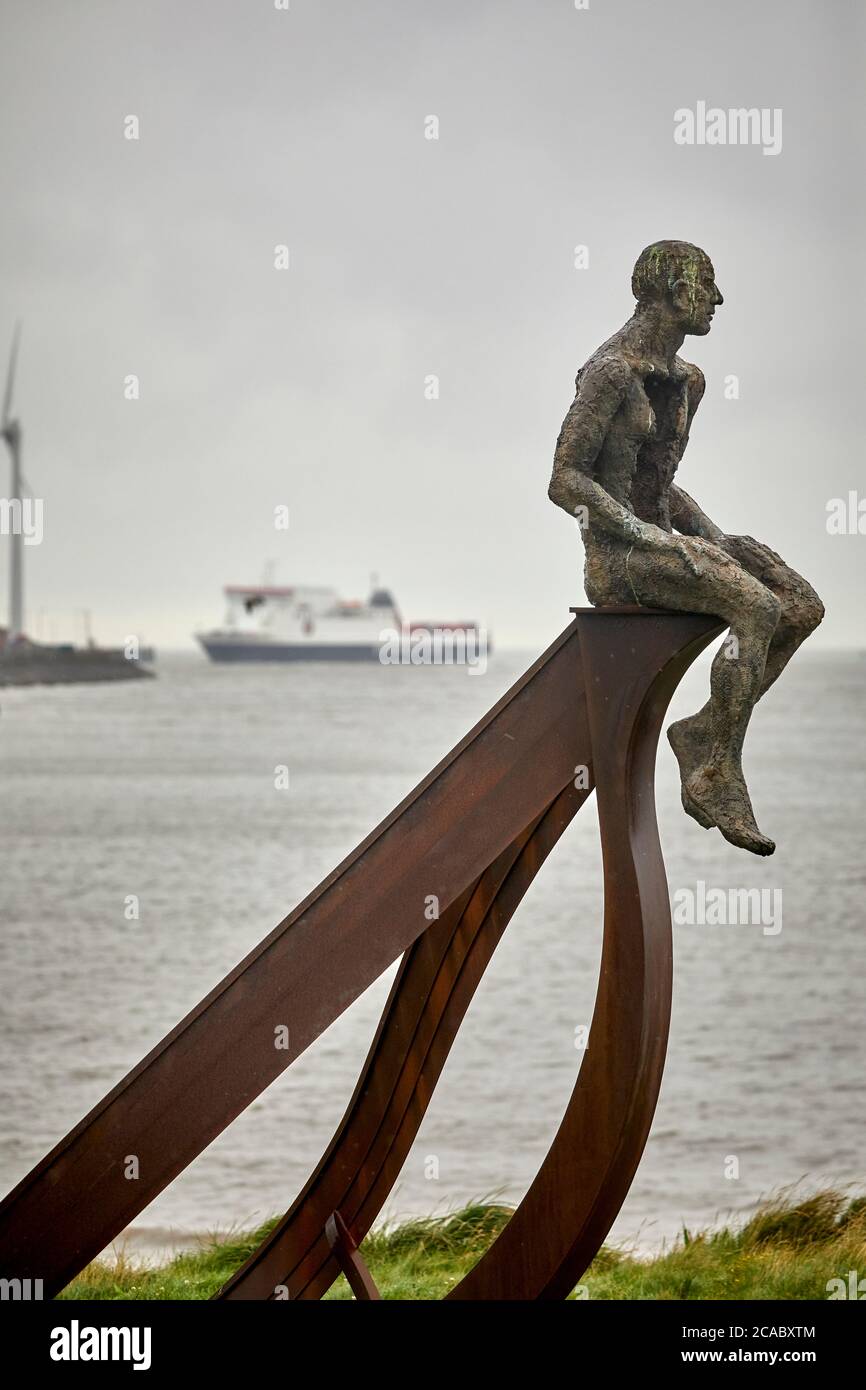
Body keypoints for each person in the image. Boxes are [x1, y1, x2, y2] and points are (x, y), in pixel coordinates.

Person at [548, 240, 823, 856]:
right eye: (709, 286)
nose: (718, 301)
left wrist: (714, 538)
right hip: (618, 561)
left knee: (799, 603)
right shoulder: (611, 373)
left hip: (661, 545)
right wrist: (645, 537)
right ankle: (714, 771)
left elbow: (661, 486)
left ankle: (705, 732)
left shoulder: (685, 381)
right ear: (676, 292)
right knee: (756, 607)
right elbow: (565, 480)